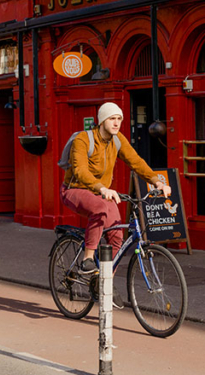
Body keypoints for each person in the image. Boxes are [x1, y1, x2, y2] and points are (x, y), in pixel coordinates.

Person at [61, 102, 171, 307]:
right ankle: (87, 260)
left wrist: (157, 181)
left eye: (119, 119)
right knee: (100, 208)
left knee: (117, 235)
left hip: (101, 193)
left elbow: (136, 161)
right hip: (75, 189)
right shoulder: (84, 140)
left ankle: (103, 281)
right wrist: (101, 188)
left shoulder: (117, 141)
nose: (117, 123)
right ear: (102, 120)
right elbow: (80, 170)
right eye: (112, 118)